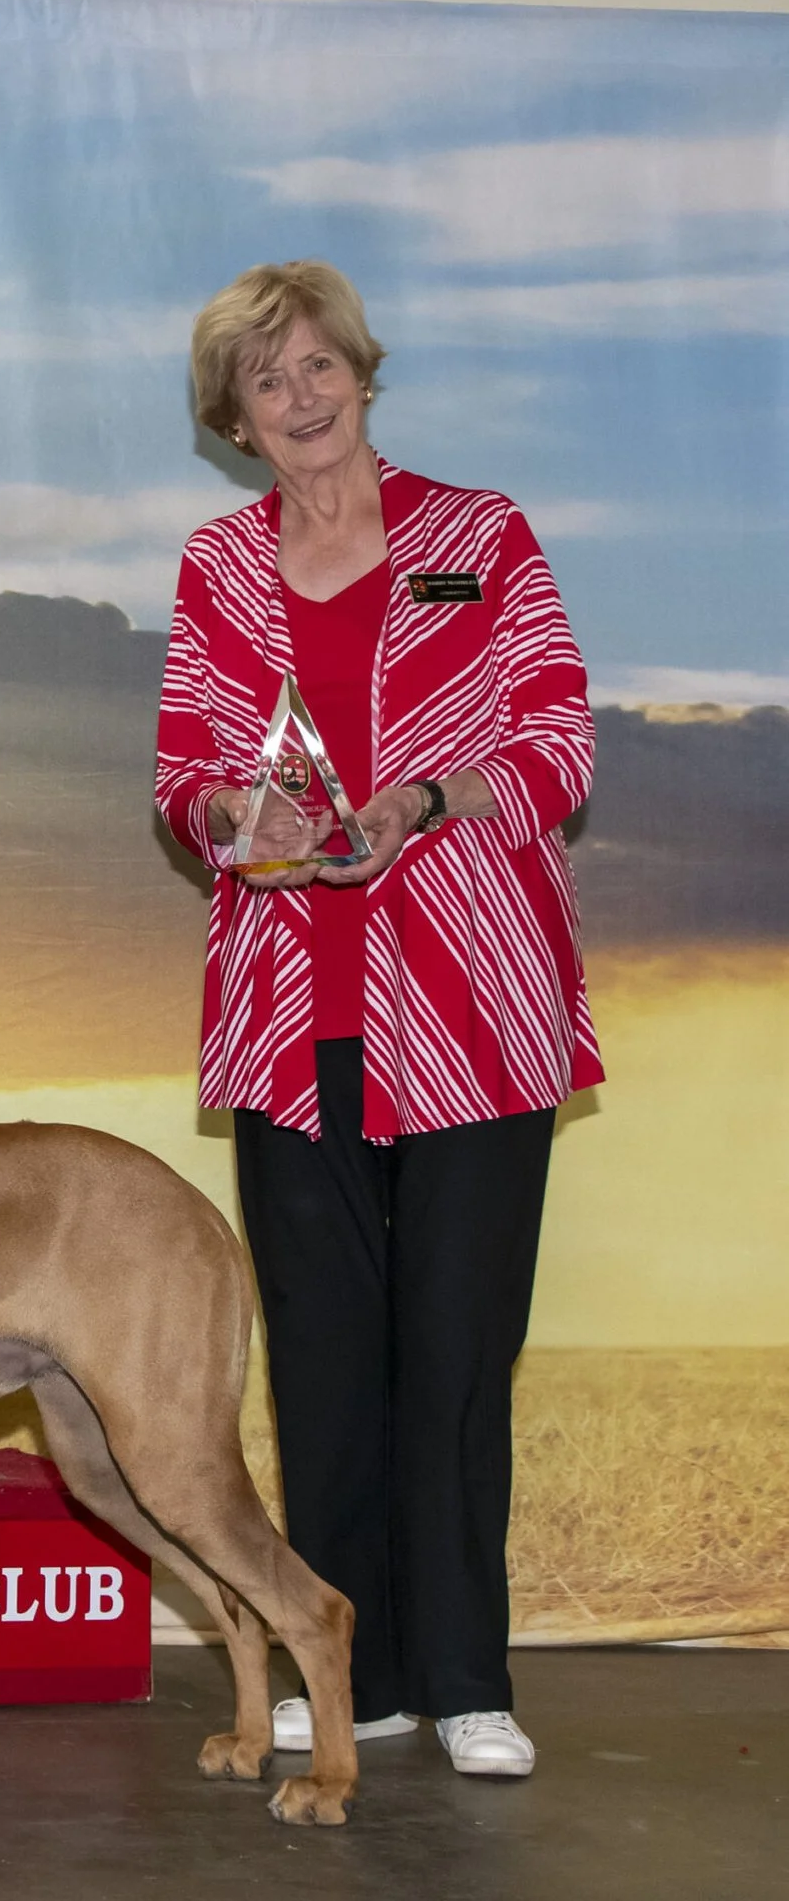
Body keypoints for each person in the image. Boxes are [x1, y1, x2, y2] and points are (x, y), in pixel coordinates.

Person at [156, 261, 599, 1781]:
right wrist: (236, 803)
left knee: (460, 1352)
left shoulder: (483, 536)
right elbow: (182, 783)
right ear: (234, 417)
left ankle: (471, 1675)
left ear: (363, 370)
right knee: (326, 1361)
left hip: (476, 1010)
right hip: (292, 1017)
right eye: (265, 380)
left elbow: (559, 742)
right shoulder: (217, 567)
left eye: (320, 364)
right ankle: (362, 1666)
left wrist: (429, 796)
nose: (300, 397)